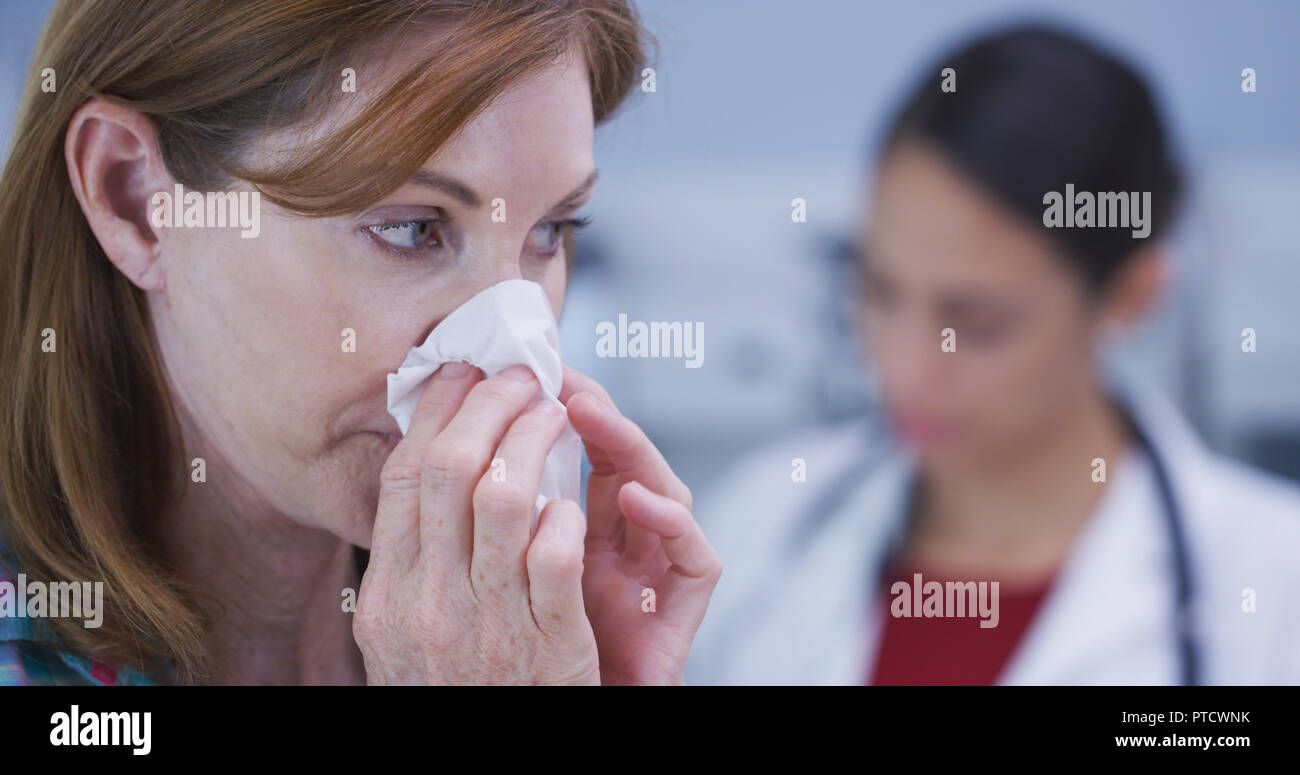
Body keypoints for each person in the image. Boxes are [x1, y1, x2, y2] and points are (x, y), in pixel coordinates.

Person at [0, 0, 720, 685]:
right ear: (135, 200)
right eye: (411, 228)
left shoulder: (522, 637)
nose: (514, 358)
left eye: (549, 232)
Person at [686, 24, 1300, 685]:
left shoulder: (1272, 586)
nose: (905, 367)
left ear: (1129, 293)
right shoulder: (759, 526)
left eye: (978, 323)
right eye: (878, 290)